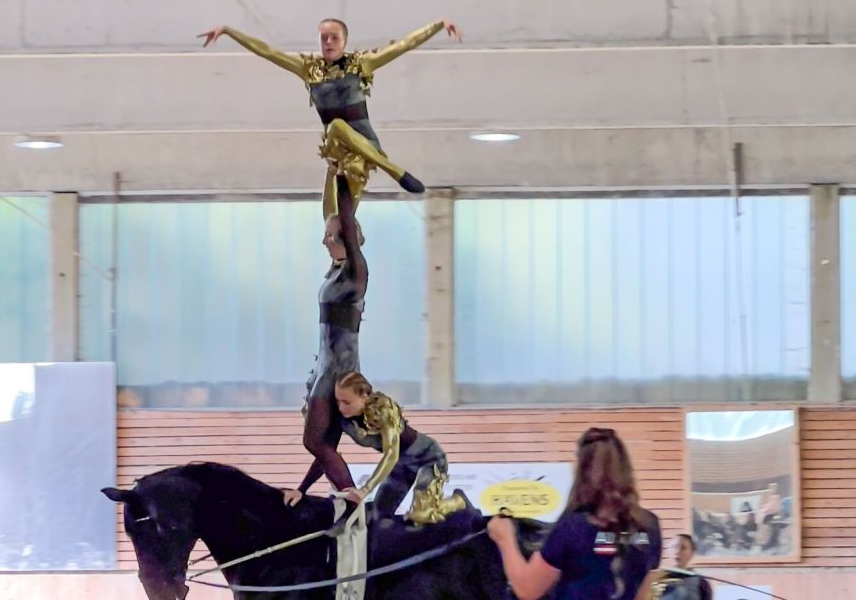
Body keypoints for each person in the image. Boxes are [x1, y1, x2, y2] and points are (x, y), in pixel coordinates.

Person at [197, 16, 461, 218]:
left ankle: (394, 171)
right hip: (336, 152)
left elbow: (403, 46)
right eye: (324, 38)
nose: (328, 43)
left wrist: (438, 25)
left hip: (365, 149)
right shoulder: (308, 69)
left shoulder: (361, 64)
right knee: (330, 216)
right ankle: (339, 261)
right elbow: (268, 52)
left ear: (344, 41)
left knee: (336, 125)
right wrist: (229, 31)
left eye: (334, 38)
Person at [487, 427, 662, 600]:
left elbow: (527, 589)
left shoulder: (572, 528)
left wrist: (505, 538)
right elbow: (642, 595)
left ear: (582, 471)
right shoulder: (649, 527)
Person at [280, 174, 368, 506]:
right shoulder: (336, 268)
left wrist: (346, 181)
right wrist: (332, 172)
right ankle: (337, 492)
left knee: (314, 439)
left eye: (330, 236)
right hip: (326, 366)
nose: (324, 241)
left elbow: (342, 215)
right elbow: (331, 212)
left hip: (338, 370)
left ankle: (352, 495)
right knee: (324, 442)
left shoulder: (355, 273)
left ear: (346, 237)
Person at [283, 371, 467, 525]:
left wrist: (365, 489)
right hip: (402, 464)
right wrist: (302, 489)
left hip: (428, 457)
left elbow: (391, 454)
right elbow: (325, 456)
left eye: (347, 402)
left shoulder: (383, 409)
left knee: (421, 515)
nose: (340, 407)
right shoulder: (343, 420)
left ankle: (459, 501)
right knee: (378, 517)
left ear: (365, 396)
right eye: (338, 401)